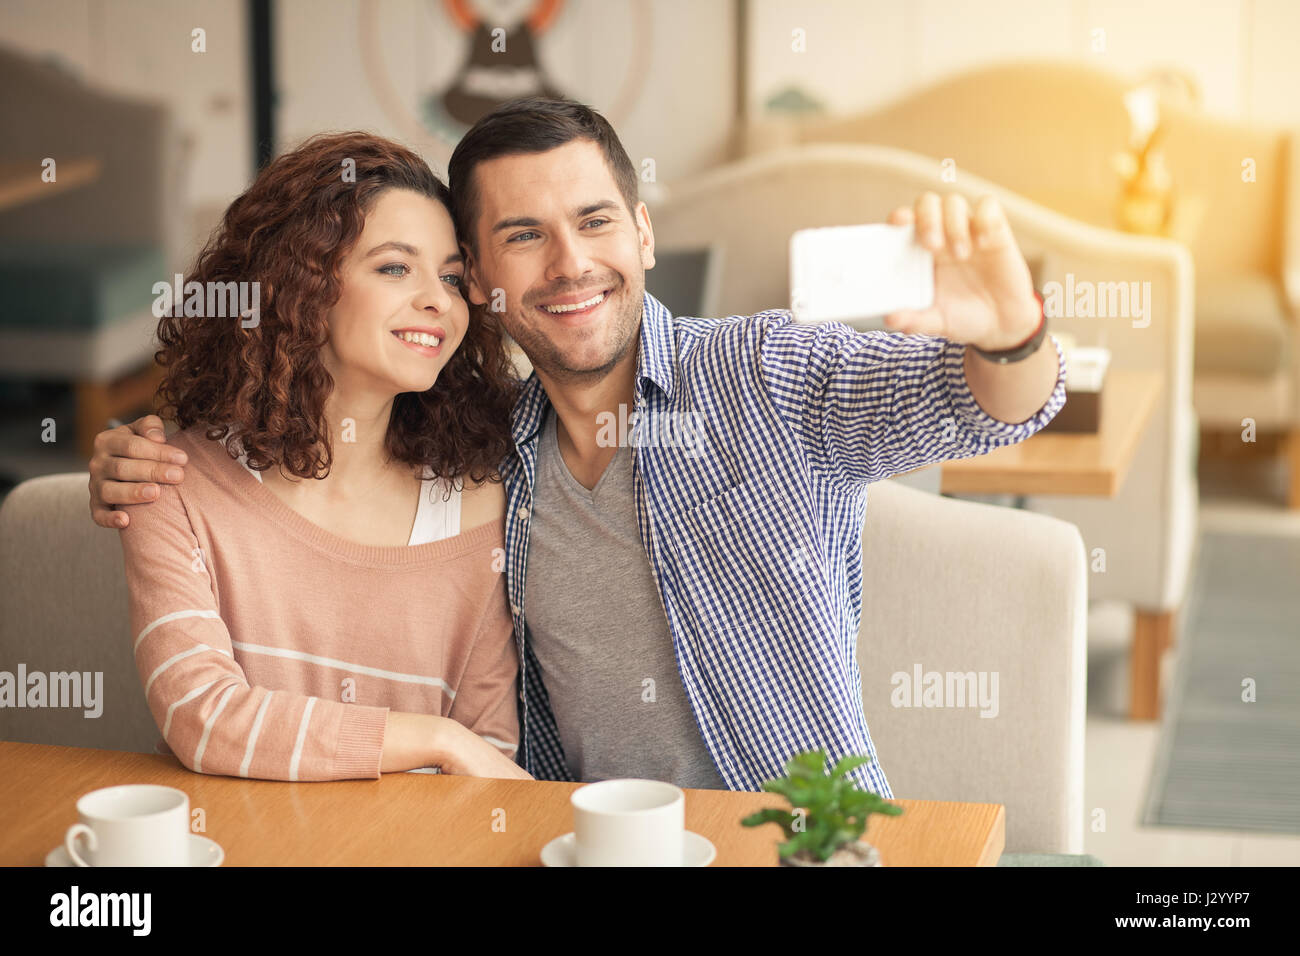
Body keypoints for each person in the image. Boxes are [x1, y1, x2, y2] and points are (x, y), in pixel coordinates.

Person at [91, 97, 1066, 797]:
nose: (570, 264)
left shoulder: (761, 374)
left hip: (804, 840)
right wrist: (131, 459)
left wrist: (1009, 334)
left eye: (595, 221)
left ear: (641, 233)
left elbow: (983, 405)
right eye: (524, 236)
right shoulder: (488, 457)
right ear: (481, 277)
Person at [111, 131, 530, 782]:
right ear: (299, 284)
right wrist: (436, 739)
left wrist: (453, 750)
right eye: (395, 267)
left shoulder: (478, 507)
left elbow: (491, 762)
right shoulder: (168, 484)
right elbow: (201, 717)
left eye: (451, 277)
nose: (438, 300)